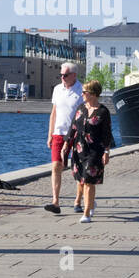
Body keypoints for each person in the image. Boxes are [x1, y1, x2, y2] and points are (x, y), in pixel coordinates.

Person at [63, 80, 113, 223]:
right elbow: (73, 127)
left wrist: (107, 152)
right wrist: (66, 144)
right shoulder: (81, 108)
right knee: (81, 180)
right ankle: (90, 203)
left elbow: (107, 134)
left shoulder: (103, 112)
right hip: (79, 150)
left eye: (84, 92)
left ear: (93, 94)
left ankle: (86, 214)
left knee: (89, 181)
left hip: (94, 151)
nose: (82, 94)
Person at [45, 62, 84, 215]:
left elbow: (84, 114)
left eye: (65, 75)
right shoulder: (57, 89)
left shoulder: (81, 90)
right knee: (56, 166)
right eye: (61, 74)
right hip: (58, 133)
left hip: (76, 134)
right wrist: (50, 134)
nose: (62, 77)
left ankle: (78, 200)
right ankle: (55, 201)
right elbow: (53, 113)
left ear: (74, 75)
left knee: (78, 168)